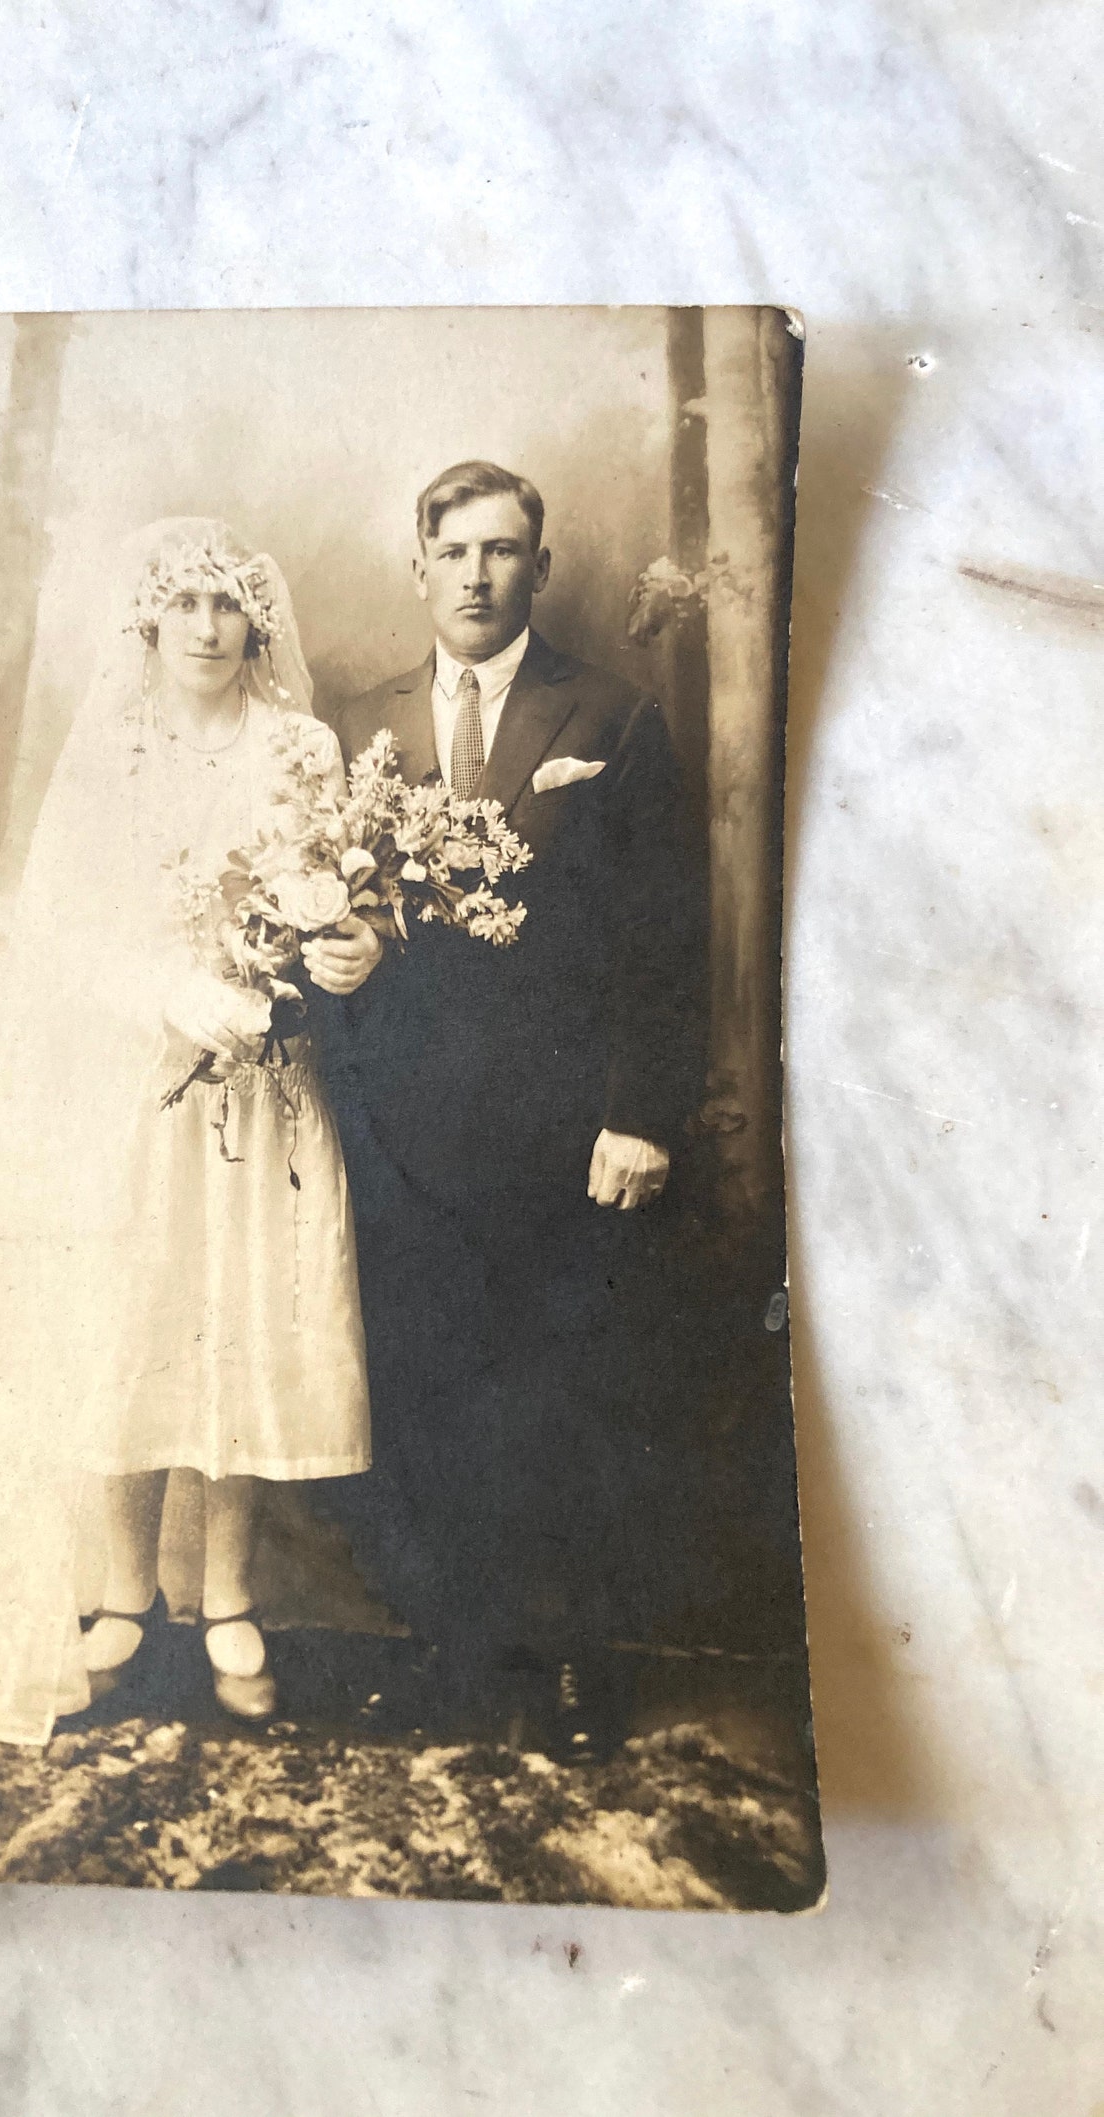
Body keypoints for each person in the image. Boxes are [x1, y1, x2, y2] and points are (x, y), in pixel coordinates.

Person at [0, 519, 382, 1744]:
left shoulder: (300, 746)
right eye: (186, 606)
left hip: (264, 1081)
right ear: (150, 625)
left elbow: (334, 888)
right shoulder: (111, 750)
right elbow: (67, 929)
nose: (210, 628)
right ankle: (122, 1593)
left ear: (254, 625)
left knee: (240, 1313)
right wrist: (178, 996)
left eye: (230, 606)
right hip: (132, 1078)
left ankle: (227, 1592)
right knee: (129, 1314)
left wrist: (306, 964)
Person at [316, 461, 706, 1754]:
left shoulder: (612, 712)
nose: (478, 576)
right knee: (428, 1398)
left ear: (538, 568)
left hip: (562, 1134)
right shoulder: (360, 726)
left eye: (504, 552)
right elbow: (330, 922)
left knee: (570, 1399)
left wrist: (641, 1116)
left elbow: (666, 943)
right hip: (403, 1137)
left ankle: (585, 1660)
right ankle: (463, 1658)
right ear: (417, 565)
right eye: (456, 551)